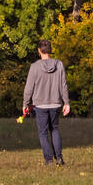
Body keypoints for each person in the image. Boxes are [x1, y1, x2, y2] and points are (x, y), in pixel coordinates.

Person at [22, 39, 71, 167]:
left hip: (40, 105)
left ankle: (48, 160)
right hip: (55, 104)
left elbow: (29, 88)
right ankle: (59, 158)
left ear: (39, 50)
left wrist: (25, 104)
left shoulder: (34, 67)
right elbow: (63, 85)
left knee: (43, 133)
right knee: (54, 129)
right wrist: (66, 102)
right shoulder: (59, 64)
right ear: (50, 50)